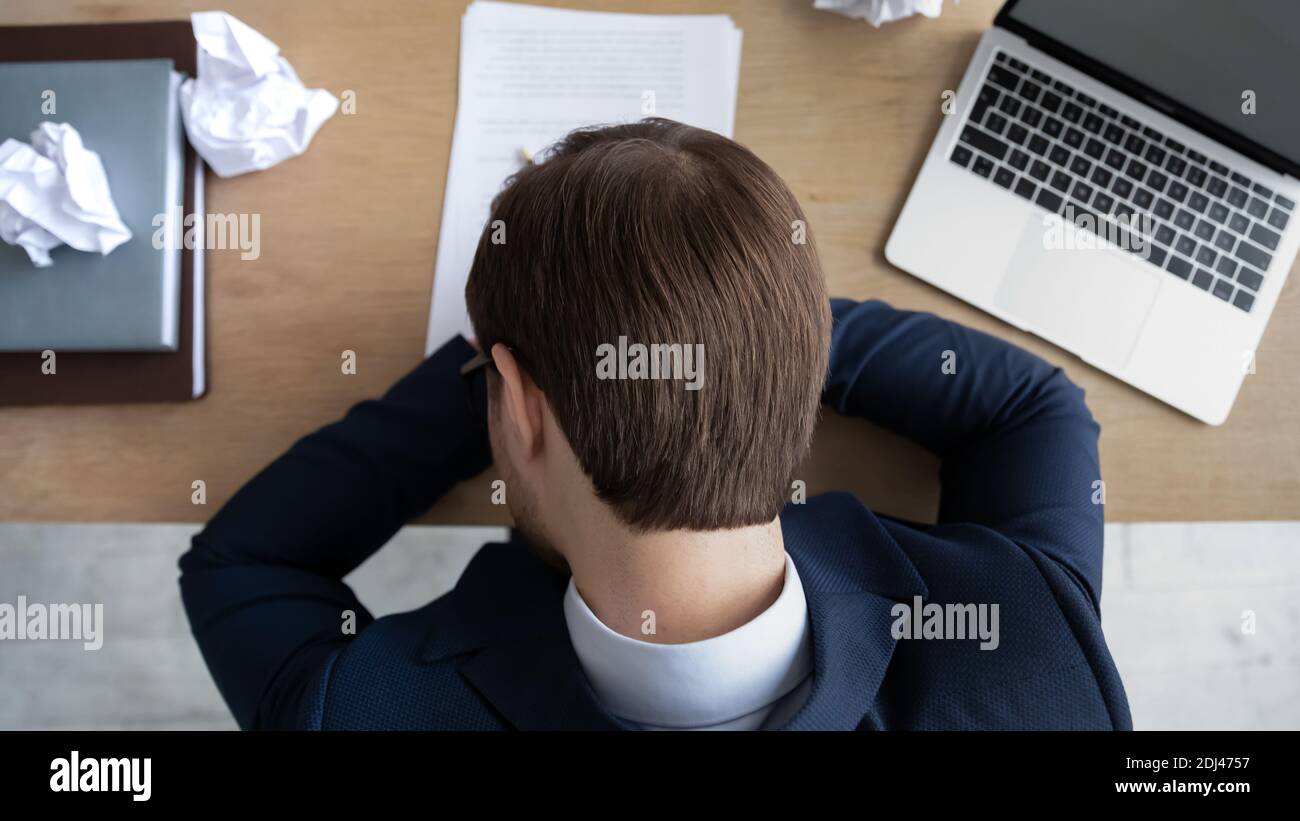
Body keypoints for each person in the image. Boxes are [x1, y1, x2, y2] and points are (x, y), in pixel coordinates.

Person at [179, 118, 1131, 730]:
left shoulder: (353, 714)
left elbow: (242, 563)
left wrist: (564, 353)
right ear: (803, 364)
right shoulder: (1034, 645)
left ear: (516, 405)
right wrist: (750, 327)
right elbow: (1032, 407)